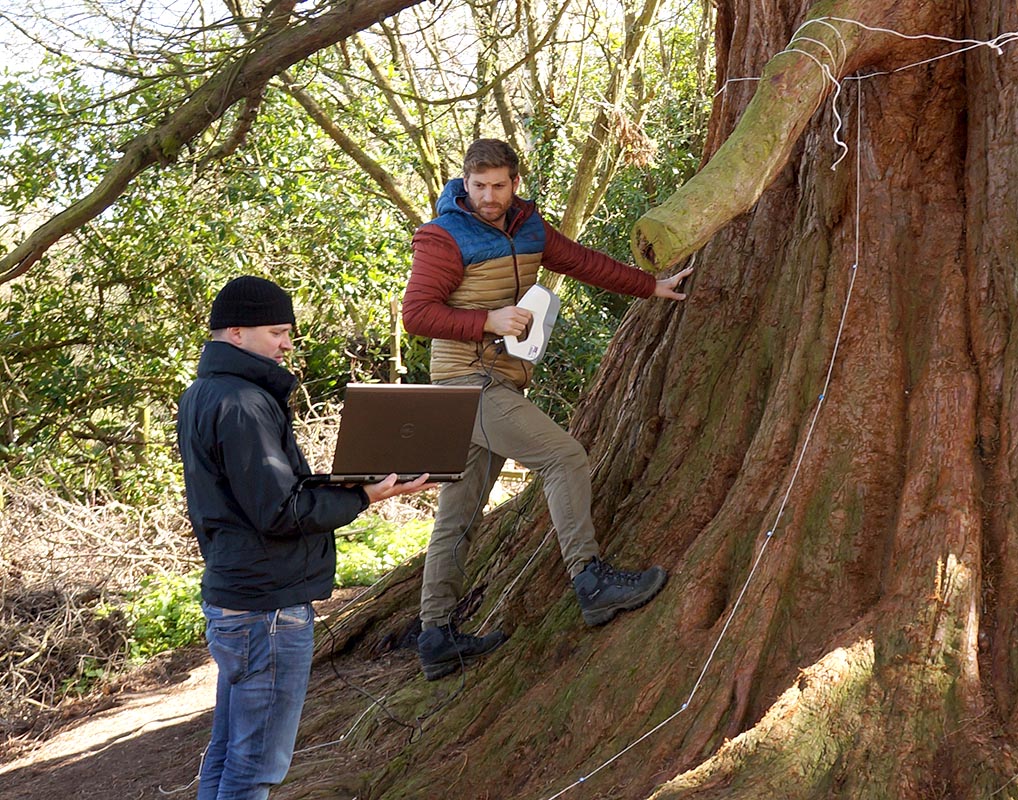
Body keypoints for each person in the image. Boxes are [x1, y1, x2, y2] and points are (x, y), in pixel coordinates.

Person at [403, 138, 693, 681]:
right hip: (467, 384)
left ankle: (435, 635)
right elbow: (416, 314)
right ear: (464, 183)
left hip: (498, 382)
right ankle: (591, 581)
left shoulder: (530, 227)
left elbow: (584, 263)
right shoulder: (443, 236)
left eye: (498, 186)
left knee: (457, 515)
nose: (488, 197)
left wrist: (650, 286)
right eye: (478, 186)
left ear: (516, 184)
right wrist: (487, 322)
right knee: (563, 457)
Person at [178, 275, 431, 800]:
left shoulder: (205, 393)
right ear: (236, 333)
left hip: (237, 597)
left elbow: (257, 495)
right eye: (277, 332)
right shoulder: (245, 403)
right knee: (255, 770)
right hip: (267, 607)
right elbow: (279, 510)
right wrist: (366, 497)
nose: (286, 344)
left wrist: (351, 484)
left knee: (227, 758)